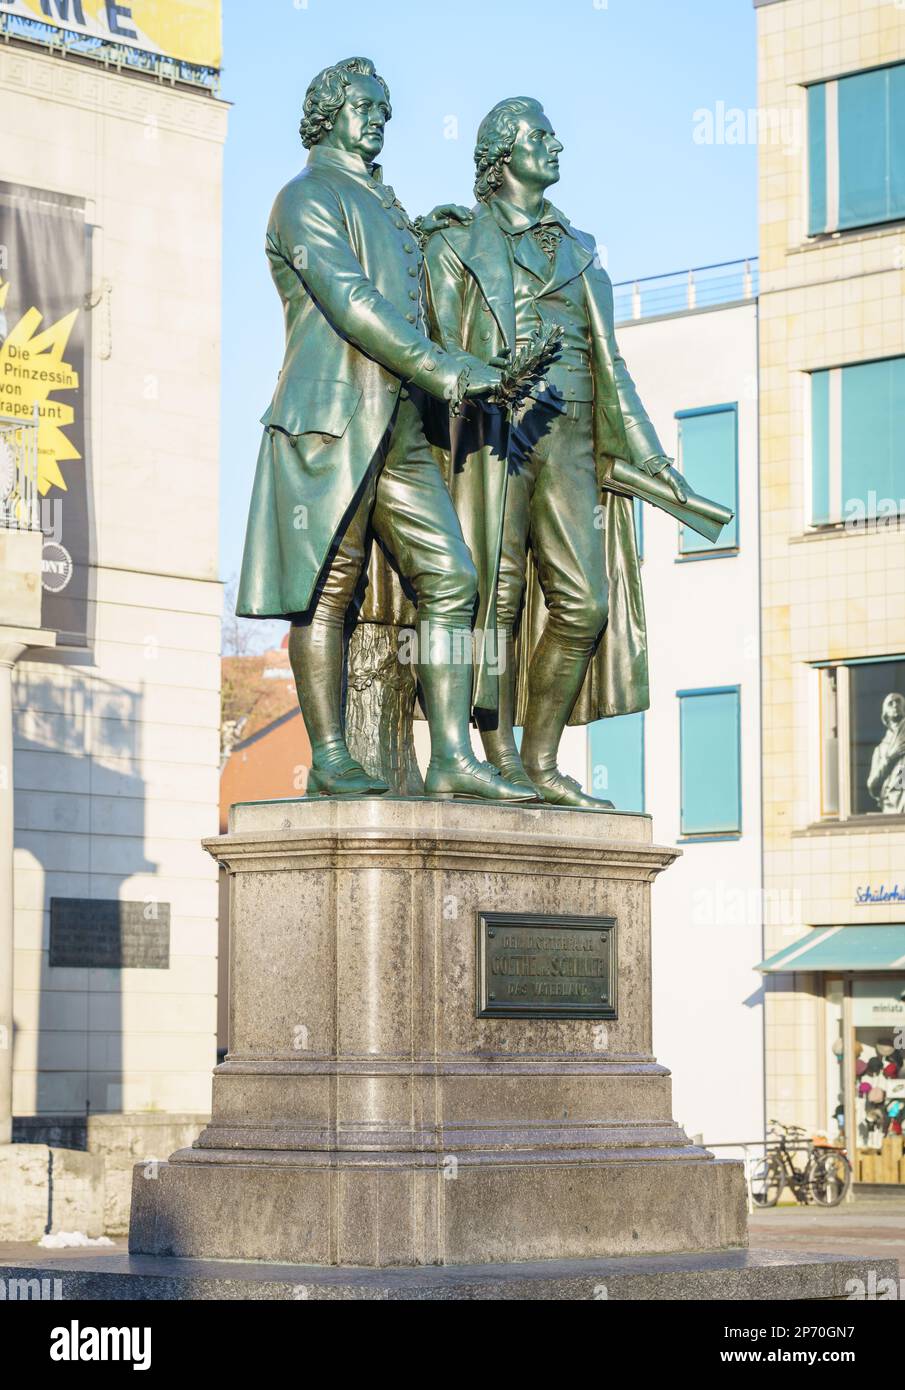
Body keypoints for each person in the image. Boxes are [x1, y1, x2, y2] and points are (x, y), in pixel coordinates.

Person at [237, 59, 531, 803]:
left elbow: (416, 322)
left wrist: (487, 368)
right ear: (327, 112)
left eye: (384, 110)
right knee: (328, 591)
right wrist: (453, 374)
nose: (378, 120)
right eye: (366, 107)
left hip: (398, 424)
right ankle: (330, 757)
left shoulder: (386, 203)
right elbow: (354, 305)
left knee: (453, 578)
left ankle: (451, 757)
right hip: (330, 421)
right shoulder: (304, 197)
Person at [424, 96, 687, 809]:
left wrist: (651, 458)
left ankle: (542, 760)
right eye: (541, 136)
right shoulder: (452, 244)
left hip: (569, 436)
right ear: (500, 155)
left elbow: (611, 361)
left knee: (584, 603)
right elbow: (437, 358)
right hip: (493, 438)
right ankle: (497, 754)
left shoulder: (581, 247)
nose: (556, 145)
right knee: (494, 597)